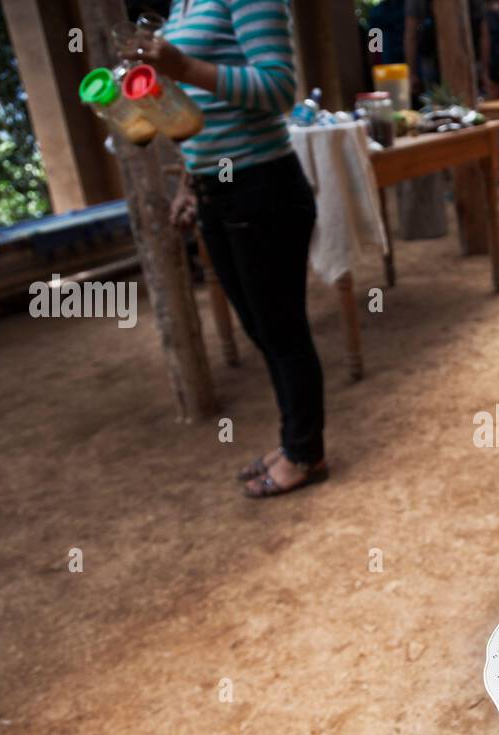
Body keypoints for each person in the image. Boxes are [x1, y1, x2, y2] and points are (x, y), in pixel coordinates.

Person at [137, 0, 327, 499]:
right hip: (213, 189)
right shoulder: (181, 5)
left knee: (282, 330)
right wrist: (187, 186)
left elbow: (279, 88)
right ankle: (294, 443)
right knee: (260, 329)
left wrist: (182, 67)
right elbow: (190, 112)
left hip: (260, 185)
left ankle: (305, 452)